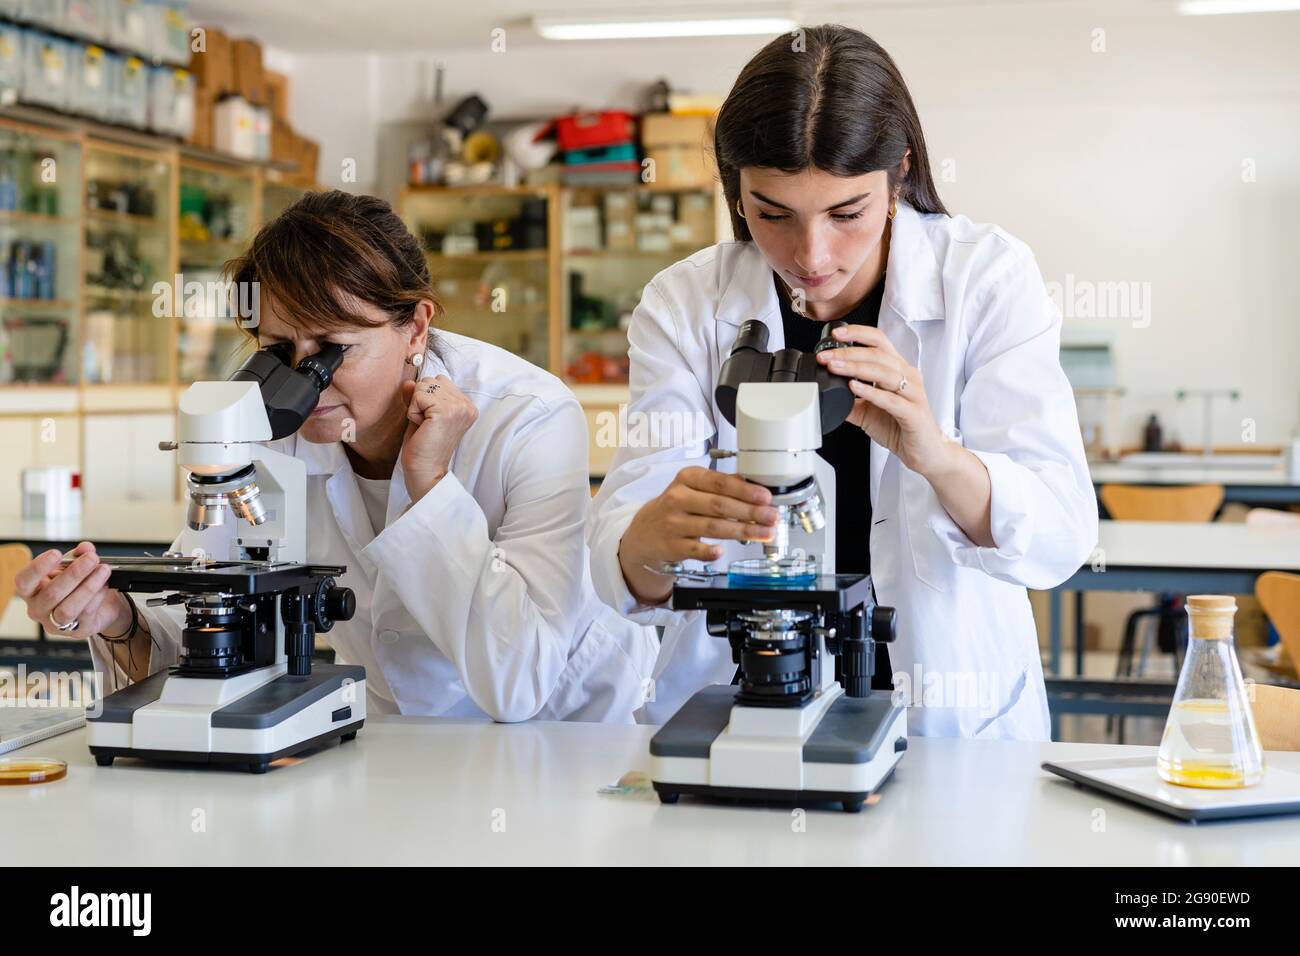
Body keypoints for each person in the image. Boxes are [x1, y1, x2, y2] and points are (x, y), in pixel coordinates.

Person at [588, 25, 1098, 738]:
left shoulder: (985, 280)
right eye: (771, 213)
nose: (812, 255)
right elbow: (625, 572)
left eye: (847, 213)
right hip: (738, 702)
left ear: (899, 175)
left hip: (948, 714)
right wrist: (649, 538)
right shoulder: (685, 304)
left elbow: (1058, 537)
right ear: (734, 190)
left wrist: (937, 453)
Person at [14, 190, 656, 723]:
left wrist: (428, 483)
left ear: (417, 327)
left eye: (331, 348)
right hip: (397, 736)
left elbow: (519, 682)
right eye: (279, 349)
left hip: (566, 730)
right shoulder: (268, 421)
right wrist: (116, 616)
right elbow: (199, 621)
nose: (303, 381)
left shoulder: (529, 416)